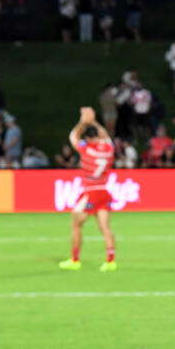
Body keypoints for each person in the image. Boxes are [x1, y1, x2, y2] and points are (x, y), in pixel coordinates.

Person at [60, 107, 118, 272]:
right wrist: (93, 122)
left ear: (88, 138)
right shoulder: (108, 149)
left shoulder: (86, 149)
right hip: (104, 191)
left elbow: (73, 137)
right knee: (105, 227)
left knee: (76, 225)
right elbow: (105, 135)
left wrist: (82, 122)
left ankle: (75, 259)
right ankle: (110, 261)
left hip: (90, 192)